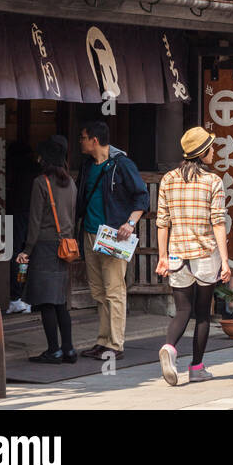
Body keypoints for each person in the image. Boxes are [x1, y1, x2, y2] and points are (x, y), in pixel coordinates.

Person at [155, 127, 232, 386]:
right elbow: (218, 223)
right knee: (202, 313)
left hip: (177, 253)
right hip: (205, 254)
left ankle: (169, 346)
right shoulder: (213, 182)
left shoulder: (168, 179)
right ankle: (197, 367)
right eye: (210, 148)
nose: (214, 151)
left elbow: (162, 222)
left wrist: (162, 256)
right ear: (202, 153)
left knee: (182, 310)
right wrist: (225, 260)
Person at [75, 121, 148, 362]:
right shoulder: (87, 166)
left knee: (114, 290)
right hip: (89, 233)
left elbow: (142, 196)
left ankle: (115, 344)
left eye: (83, 137)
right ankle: (102, 340)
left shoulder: (122, 164)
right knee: (98, 291)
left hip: (114, 235)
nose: (81, 141)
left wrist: (130, 223)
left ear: (94, 140)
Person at [16, 136, 78, 364]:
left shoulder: (40, 182)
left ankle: (53, 350)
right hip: (64, 247)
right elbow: (71, 217)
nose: (38, 158)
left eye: (40, 154)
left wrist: (27, 250)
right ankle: (69, 349)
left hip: (44, 246)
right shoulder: (71, 183)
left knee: (45, 302)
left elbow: (34, 222)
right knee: (60, 300)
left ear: (47, 157)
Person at [5, 140, 40, 316]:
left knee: (17, 254)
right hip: (33, 216)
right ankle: (26, 297)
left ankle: (16, 296)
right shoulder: (37, 171)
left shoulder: (11, 170)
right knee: (28, 254)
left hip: (16, 214)